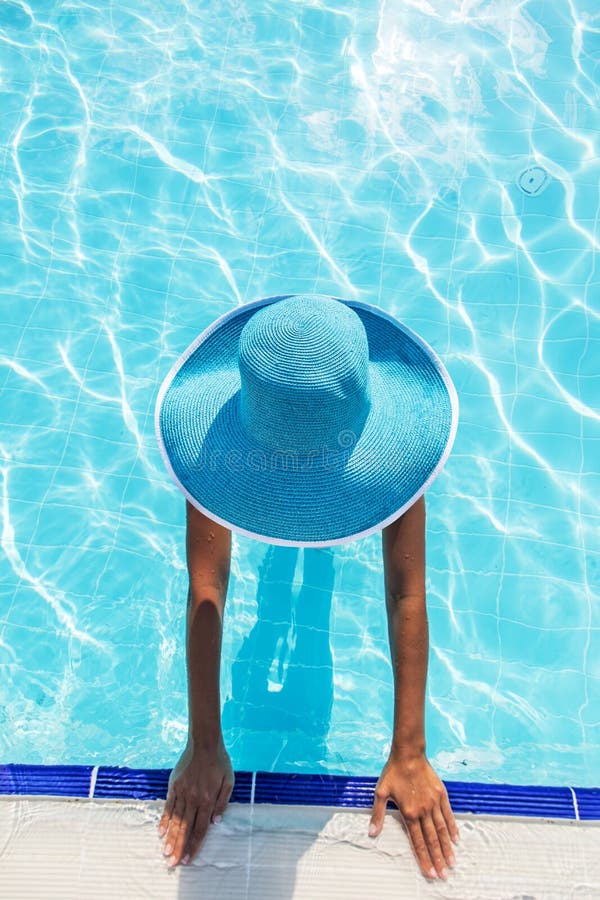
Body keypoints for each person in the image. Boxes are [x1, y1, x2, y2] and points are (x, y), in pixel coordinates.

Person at [154, 293, 460, 881]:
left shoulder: (225, 456)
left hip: (273, 453)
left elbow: (208, 589)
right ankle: (315, 542)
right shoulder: (371, 456)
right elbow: (404, 592)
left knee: (302, 593)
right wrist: (204, 743)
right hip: (312, 453)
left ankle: (307, 549)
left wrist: (411, 749)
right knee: (298, 613)